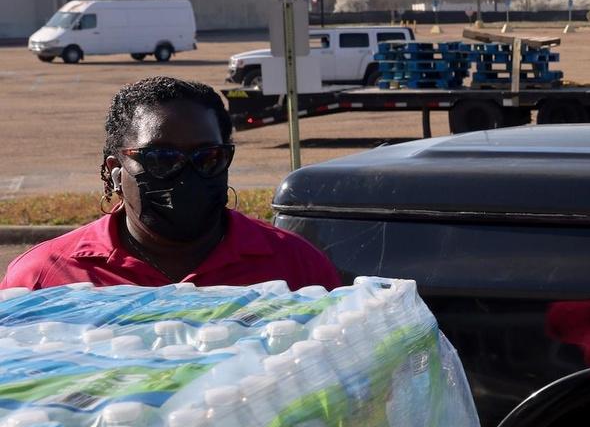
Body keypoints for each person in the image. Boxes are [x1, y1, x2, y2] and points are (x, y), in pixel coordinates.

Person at [2, 77, 339, 291]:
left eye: (208, 158)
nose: (186, 174)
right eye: (162, 159)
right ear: (116, 170)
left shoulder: (296, 267)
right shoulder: (42, 278)